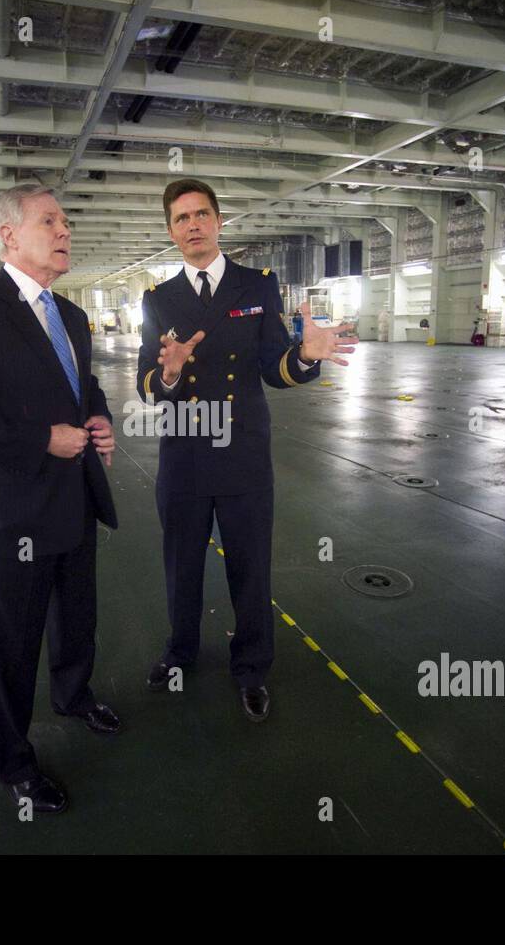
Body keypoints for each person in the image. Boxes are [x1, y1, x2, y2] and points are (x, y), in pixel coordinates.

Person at [0, 184, 120, 815]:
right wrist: (41, 440)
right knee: (12, 641)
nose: (65, 231)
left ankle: (73, 694)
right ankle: (13, 761)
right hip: (17, 516)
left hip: (76, 498)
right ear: (8, 235)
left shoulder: (73, 316)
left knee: (77, 615)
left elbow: (82, 385)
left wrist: (98, 417)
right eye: (50, 221)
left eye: (65, 221)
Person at [136, 178, 357, 721]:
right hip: (185, 455)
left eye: (201, 214)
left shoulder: (257, 285)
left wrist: (306, 356)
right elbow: (146, 384)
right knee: (181, 566)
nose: (193, 225)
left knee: (251, 569)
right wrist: (168, 375)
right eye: (182, 218)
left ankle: (252, 667)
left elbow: (274, 368)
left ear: (219, 222)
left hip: (244, 454)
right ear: (171, 231)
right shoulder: (158, 299)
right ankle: (180, 651)